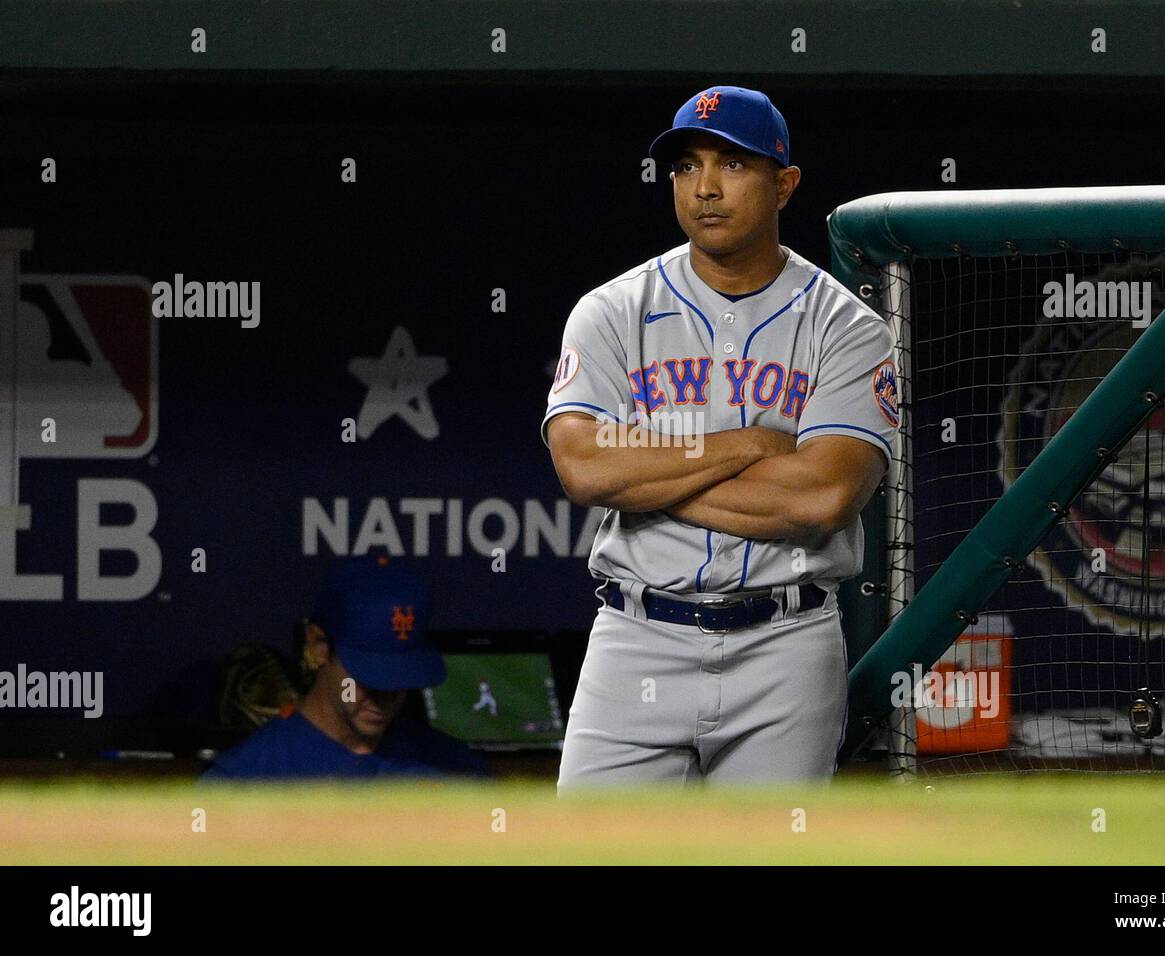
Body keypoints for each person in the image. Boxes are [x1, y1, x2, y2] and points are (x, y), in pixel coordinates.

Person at [541, 85, 898, 787]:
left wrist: (642, 474)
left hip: (786, 644)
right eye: (685, 166)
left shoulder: (847, 327)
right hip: (636, 635)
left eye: (732, 164)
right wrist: (749, 446)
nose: (704, 187)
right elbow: (583, 471)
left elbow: (823, 497)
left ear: (784, 183)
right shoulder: (612, 310)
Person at [202, 556, 487, 781]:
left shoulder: (455, 770)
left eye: (400, 678)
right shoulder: (247, 780)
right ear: (318, 647)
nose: (384, 696)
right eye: (368, 677)